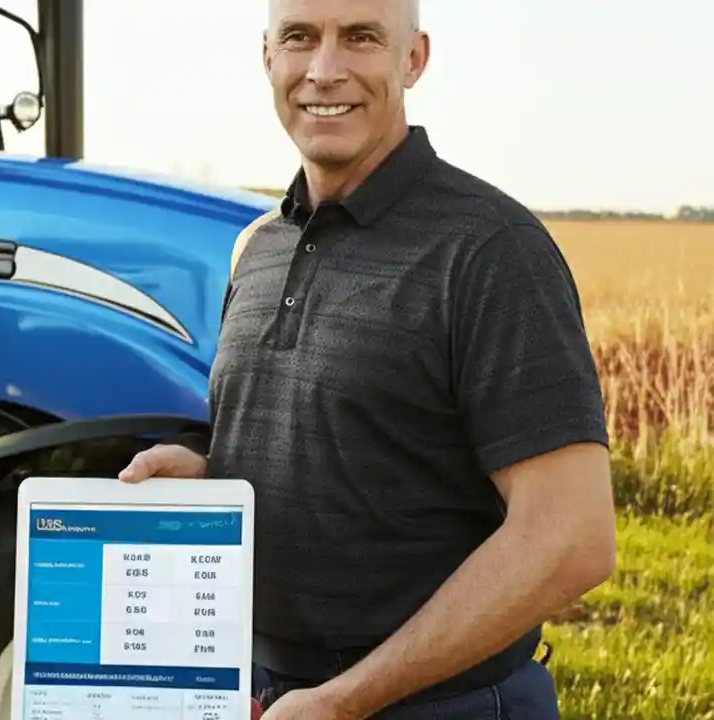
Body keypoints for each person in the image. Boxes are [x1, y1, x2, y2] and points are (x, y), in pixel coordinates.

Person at [118, 0, 618, 718]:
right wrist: (209, 470)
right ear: (268, 58)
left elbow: (572, 538)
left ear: (412, 58)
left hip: (447, 705)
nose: (325, 70)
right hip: (271, 699)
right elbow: (350, 445)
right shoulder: (256, 249)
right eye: (299, 38)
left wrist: (346, 700)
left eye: (360, 38)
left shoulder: (490, 250)